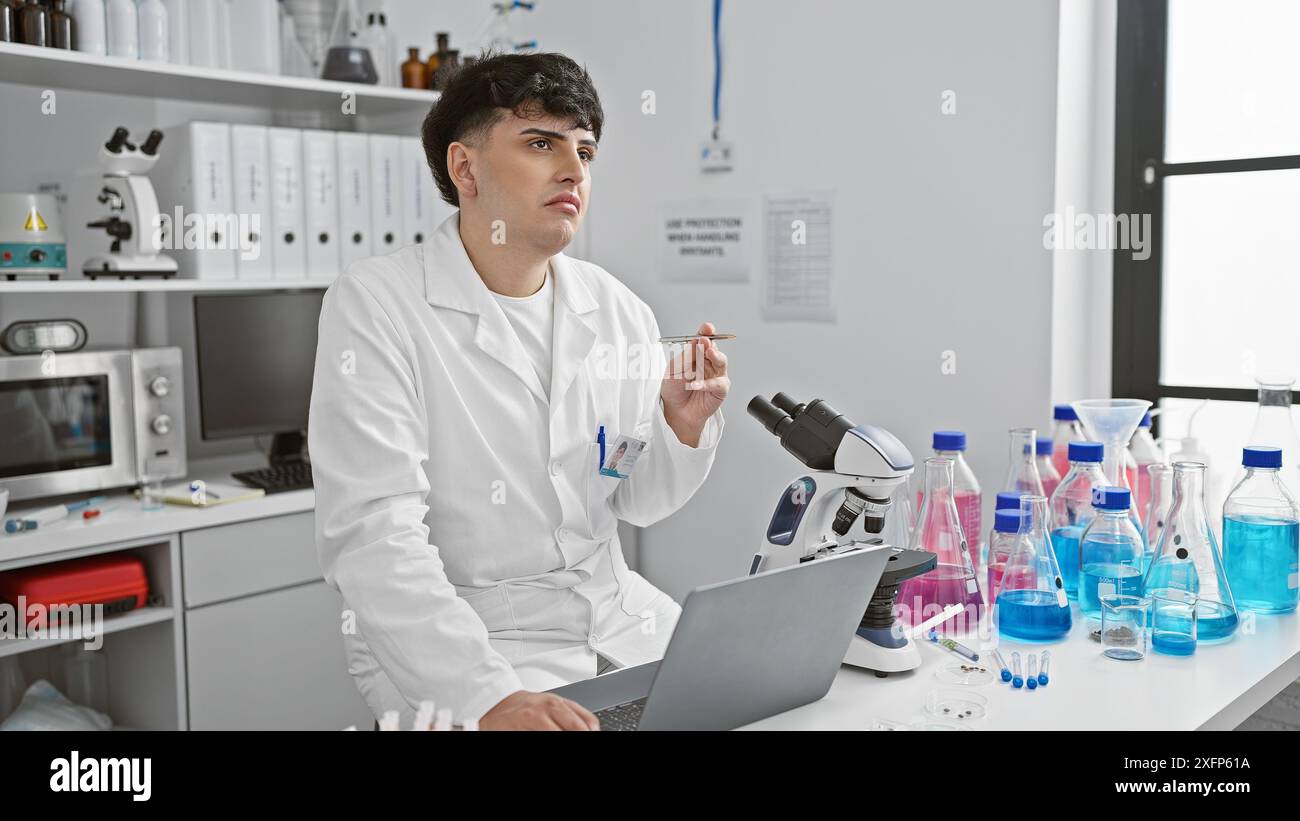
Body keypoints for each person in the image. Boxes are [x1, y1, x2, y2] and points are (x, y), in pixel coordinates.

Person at [309, 52, 730, 731]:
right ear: (465, 167)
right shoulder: (377, 303)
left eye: (585, 150)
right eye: (541, 142)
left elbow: (638, 501)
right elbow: (373, 538)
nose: (573, 169)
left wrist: (680, 427)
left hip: (618, 614)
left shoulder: (618, 310)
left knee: (755, 701)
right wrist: (488, 698)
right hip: (467, 641)